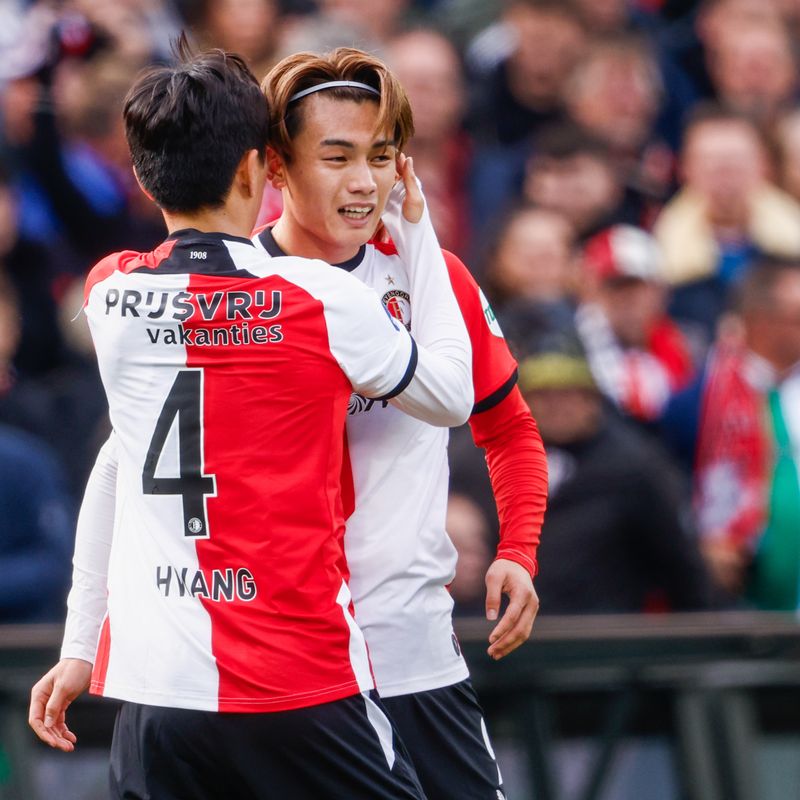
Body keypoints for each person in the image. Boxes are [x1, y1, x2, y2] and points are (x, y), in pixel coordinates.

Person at [29, 42, 476, 800]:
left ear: (143, 176)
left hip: (158, 696)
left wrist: (80, 644)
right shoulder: (322, 300)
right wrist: (418, 226)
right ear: (258, 170)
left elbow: (118, 468)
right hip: (297, 685)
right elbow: (451, 395)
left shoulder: (111, 293)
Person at [257, 48, 548, 800]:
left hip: (417, 650)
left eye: (382, 156)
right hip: (289, 664)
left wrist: (517, 547)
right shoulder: (241, 294)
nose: (364, 181)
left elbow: (509, 430)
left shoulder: (434, 276)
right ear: (278, 169)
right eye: (338, 156)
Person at [662, 258, 800, 609]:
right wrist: (697, 542)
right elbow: (667, 485)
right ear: (759, 321)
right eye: (795, 318)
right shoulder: (702, 398)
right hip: (736, 593)